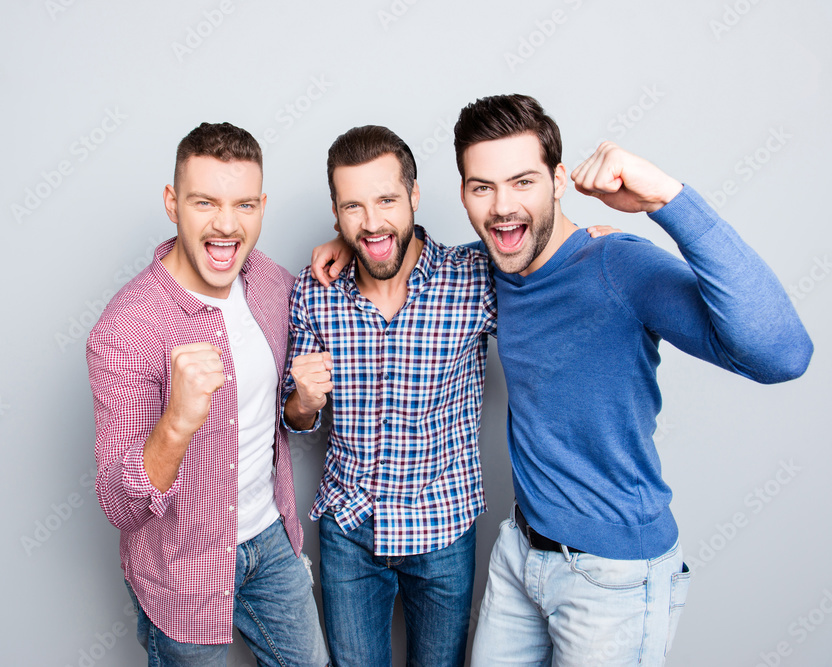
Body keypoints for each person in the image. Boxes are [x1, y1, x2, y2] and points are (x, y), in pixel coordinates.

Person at [312, 94, 812, 666]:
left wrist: (667, 199)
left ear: (558, 180)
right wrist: (354, 243)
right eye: (482, 188)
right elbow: (410, 261)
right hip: (521, 554)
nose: (502, 208)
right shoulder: (487, 271)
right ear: (463, 194)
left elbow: (783, 354)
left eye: (522, 181)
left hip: (614, 576)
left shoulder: (618, 264)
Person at [86, 121, 327, 667]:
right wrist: (176, 423)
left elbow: (286, 414)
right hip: (181, 564)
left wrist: (341, 238)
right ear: (173, 203)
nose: (226, 224)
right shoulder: (126, 328)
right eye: (204, 202)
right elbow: (118, 506)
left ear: (262, 206)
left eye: (244, 205)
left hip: (271, 539)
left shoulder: (271, 283)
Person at [282, 125, 498, 667]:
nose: (372, 222)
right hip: (349, 529)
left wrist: (594, 241)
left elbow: (539, 263)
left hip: (442, 525)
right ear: (336, 213)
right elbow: (296, 419)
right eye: (353, 206)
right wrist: (304, 401)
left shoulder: (472, 278)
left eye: (386, 200)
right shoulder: (315, 290)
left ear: (414, 198)